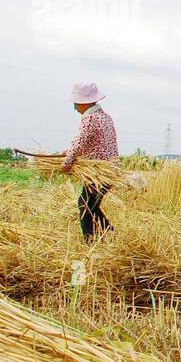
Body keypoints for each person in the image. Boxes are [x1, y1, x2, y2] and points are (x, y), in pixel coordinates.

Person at [60, 82, 119, 242]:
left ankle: (90, 241)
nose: (74, 107)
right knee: (91, 205)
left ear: (85, 102)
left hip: (98, 172)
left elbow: (78, 145)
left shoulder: (90, 119)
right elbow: (88, 143)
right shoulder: (105, 117)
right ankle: (111, 236)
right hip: (109, 171)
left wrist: (66, 164)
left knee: (85, 205)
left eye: (76, 103)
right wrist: (66, 153)